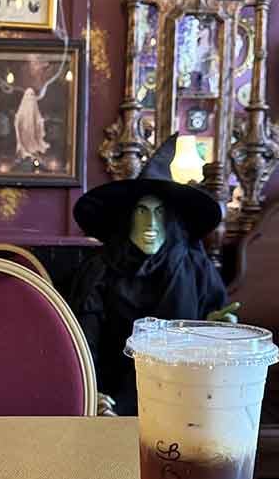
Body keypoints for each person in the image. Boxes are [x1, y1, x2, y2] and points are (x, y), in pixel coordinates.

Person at [69, 134, 238, 416]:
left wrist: (218, 330)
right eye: (142, 211)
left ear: (170, 220)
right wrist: (91, 390)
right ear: (127, 217)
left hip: (184, 399)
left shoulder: (196, 268)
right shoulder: (100, 270)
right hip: (112, 403)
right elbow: (84, 342)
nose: (150, 223)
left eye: (160, 213)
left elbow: (217, 327)